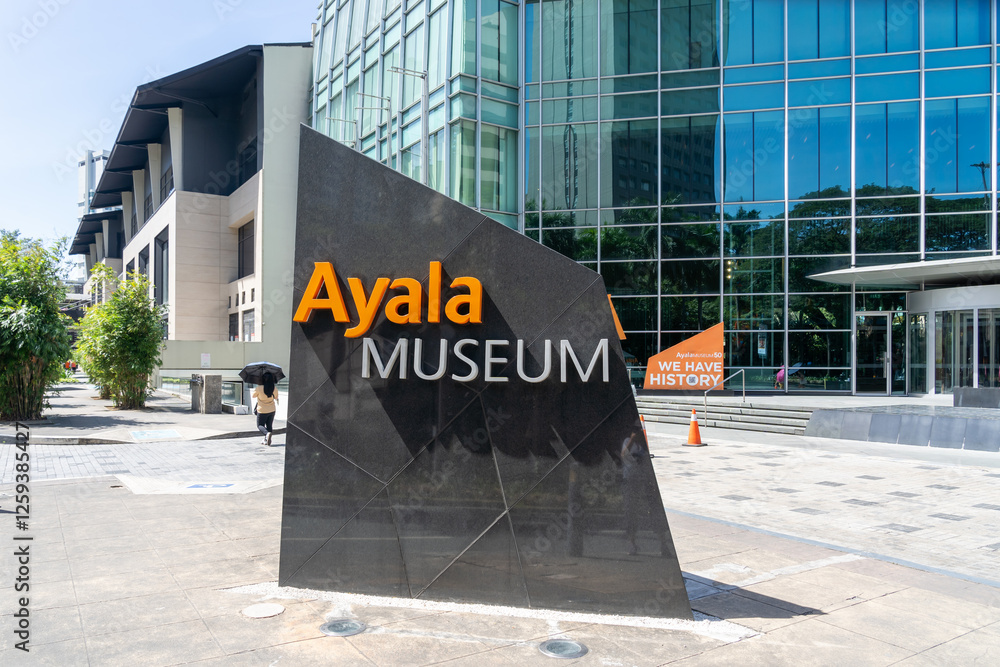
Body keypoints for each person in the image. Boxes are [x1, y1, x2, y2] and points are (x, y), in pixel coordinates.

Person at [252, 372, 279, 446]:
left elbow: (253, 396)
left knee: (260, 425)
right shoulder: (274, 388)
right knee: (269, 425)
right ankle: (266, 440)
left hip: (262, 410)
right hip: (272, 409)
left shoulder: (259, 388)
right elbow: (276, 397)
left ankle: (267, 434)